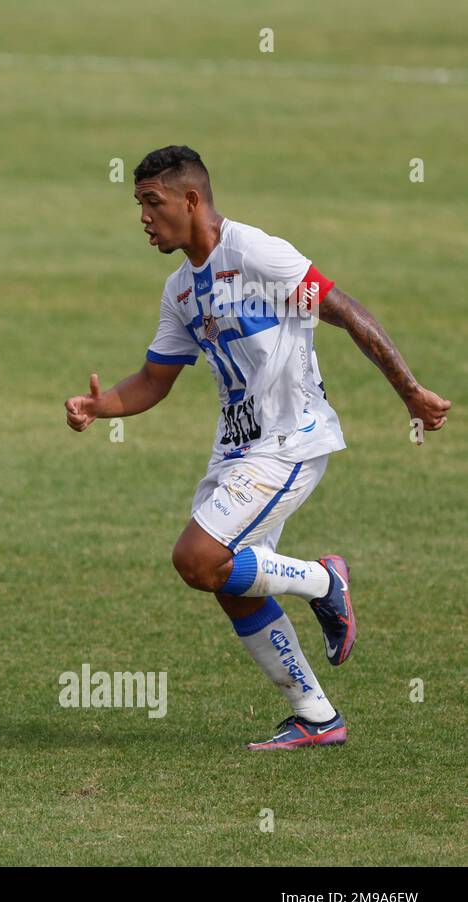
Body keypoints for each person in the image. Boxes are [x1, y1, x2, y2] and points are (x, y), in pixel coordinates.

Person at [64, 145, 450, 749]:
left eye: (152, 201)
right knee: (224, 579)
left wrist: (412, 393)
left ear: (190, 199)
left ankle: (324, 582)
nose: (142, 216)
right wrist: (99, 406)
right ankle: (318, 718)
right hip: (237, 451)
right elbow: (154, 380)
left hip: (291, 440)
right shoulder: (180, 291)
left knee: (195, 557)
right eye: (138, 203)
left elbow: (345, 310)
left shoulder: (257, 254)